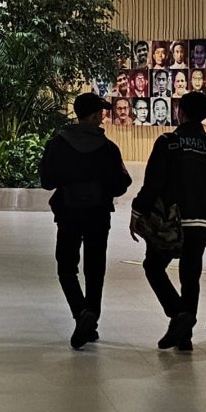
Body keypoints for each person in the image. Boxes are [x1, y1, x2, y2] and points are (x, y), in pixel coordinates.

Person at [131, 91, 206, 352]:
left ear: (179, 112)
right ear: (205, 113)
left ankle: (177, 313)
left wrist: (138, 212)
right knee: (190, 276)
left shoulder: (168, 142)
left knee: (153, 265)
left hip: (170, 222)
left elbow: (153, 183)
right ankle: (185, 337)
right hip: (200, 223)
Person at [40, 93, 133, 350]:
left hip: (68, 214)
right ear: (93, 116)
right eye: (101, 114)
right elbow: (120, 186)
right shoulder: (108, 149)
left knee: (66, 267)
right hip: (98, 215)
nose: (103, 117)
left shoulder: (57, 144)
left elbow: (47, 181)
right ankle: (90, 318)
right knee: (95, 269)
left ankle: (81, 314)